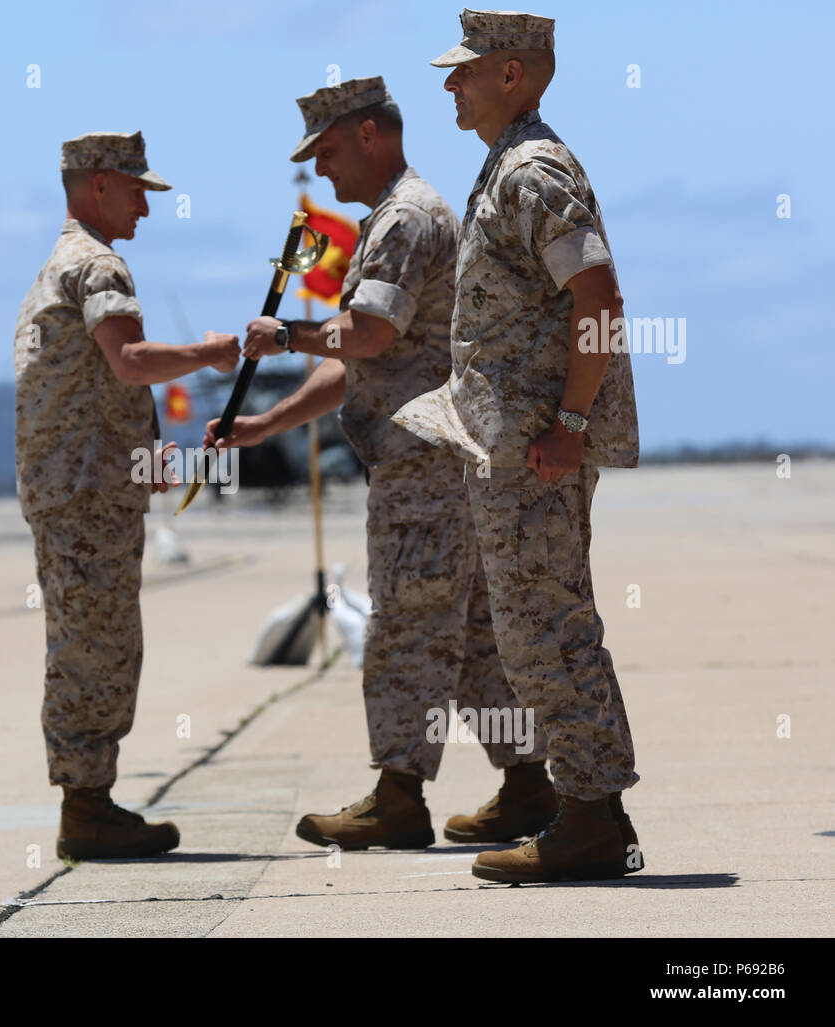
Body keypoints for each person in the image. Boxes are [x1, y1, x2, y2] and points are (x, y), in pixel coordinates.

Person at [207, 77, 551, 852]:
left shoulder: (404, 217)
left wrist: (285, 336)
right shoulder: (399, 216)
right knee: (470, 633)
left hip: (425, 466)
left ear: (371, 135)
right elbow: (366, 357)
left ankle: (398, 795)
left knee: (404, 630)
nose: (321, 171)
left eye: (327, 151)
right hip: (437, 459)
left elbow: (362, 334)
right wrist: (267, 421)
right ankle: (530, 781)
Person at [396, 9, 644, 882]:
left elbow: (600, 298)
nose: (449, 85)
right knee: (531, 627)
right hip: (513, 446)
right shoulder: (506, 168)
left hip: (538, 449)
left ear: (513, 73)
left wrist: (570, 426)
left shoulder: (533, 171)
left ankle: (592, 821)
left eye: (465, 70)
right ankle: (586, 811)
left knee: (549, 626)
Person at [14, 131, 239, 859]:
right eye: (138, 187)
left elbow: (95, 386)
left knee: (91, 638)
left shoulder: (62, 263)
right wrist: (211, 352)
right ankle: (87, 808)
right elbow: (130, 359)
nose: (147, 202)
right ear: (99, 184)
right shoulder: (98, 264)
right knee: (96, 643)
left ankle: (90, 800)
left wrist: (145, 459)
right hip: (87, 499)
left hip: (78, 489)